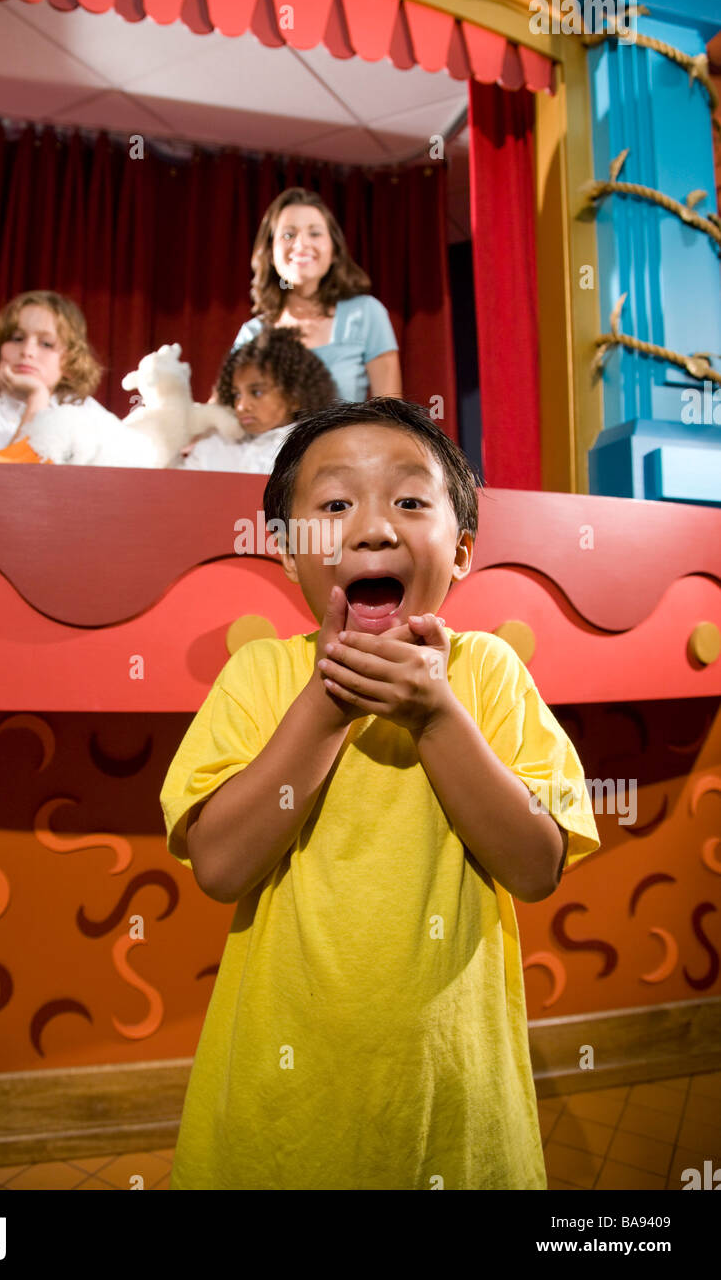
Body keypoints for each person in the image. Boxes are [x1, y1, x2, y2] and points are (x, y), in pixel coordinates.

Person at [160, 398, 600, 1191]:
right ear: (288, 553)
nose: (373, 528)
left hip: (453, 1094)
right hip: (282, 1099)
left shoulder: (490, 674)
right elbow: (220, 865)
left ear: (462, 550)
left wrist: (436, 717)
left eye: (409, 501)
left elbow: (536, 866)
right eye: (334, 505)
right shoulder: (261, 676)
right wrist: (328, 701)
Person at [231, 187, 402, 403]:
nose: (301, 244)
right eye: (288, 234)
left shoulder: (366, 314)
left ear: (334, 251)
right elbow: (222, 413)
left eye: (315, 233)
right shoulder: (252, 334)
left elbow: (391, 412)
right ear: (270, 254)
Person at [0, 291, 116, 462]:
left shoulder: (87, 411)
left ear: (69, 361)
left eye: (46, 344)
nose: (27, 352)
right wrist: (36, 398)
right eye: (17, 338)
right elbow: (0, 483)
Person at [179, 326, 336, 473]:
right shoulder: (214, 444)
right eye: (237, 395)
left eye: (257, 393)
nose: (241, 406)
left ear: (294, 396)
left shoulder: (310, 451)